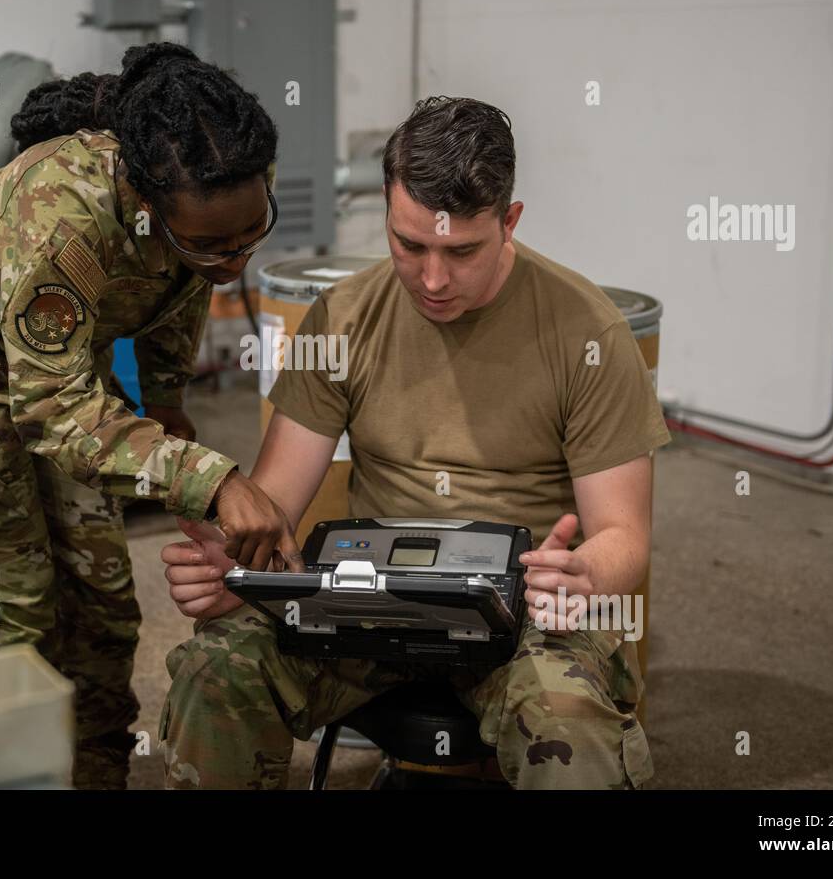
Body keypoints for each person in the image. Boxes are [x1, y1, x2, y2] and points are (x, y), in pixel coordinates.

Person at [158, 96, 671, 789]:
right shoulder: (342, 318)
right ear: (388, 215)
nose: (433, 279)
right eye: (410, 245)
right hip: (366, 601)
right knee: (215, 671)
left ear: (509, 221)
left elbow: (623, 535)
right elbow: (277, 498)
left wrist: (585, 574)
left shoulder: (589, 333)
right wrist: (238, 562)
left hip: (527, 608)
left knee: (570, 718)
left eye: (462, 251)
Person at [0, 42, 301, 789]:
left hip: (56, 354)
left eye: (248, 239)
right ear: (143, 199)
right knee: (9, 605)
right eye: (210, 244)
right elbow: (53, 408)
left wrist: (166, 404)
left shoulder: (229, 178)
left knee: (101, 590)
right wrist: (212, 479)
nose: (234, 263)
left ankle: (97, 772)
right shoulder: (64, 212)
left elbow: (179, 284)